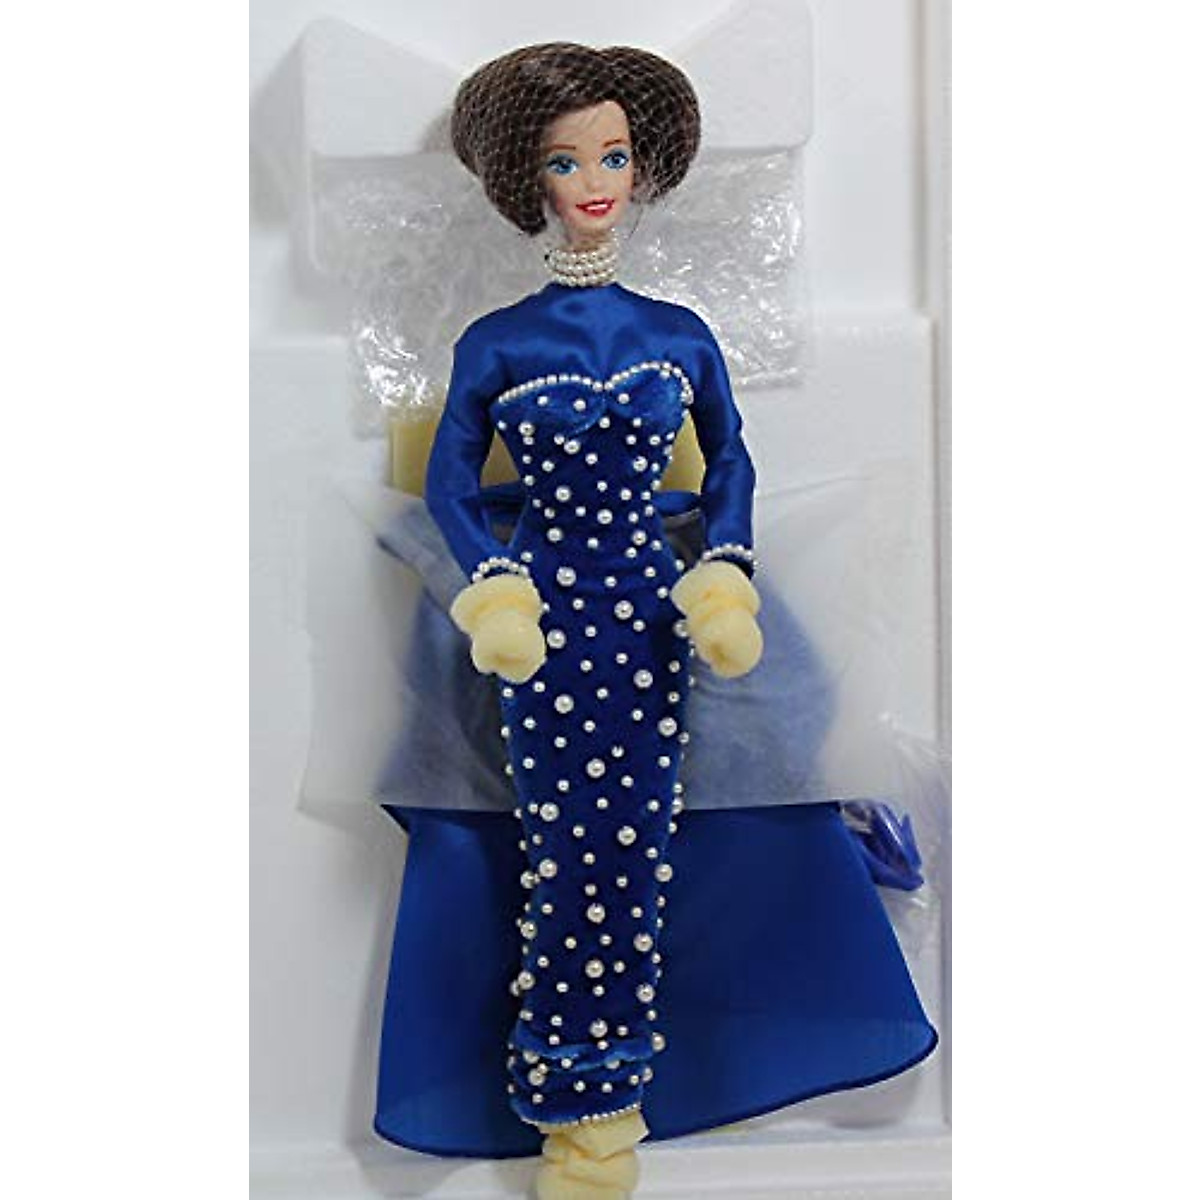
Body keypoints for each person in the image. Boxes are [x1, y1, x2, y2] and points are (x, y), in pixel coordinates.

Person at [375, 43, 936, 1200]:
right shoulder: (498, 342)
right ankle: (576, 1113)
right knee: (561, 857)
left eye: (614, 155)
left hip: (650, 623)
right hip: (544, 630)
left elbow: (731, 461)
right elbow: (449, 486)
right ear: (527, 176)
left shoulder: (678, 332)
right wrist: (492, 585)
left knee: (636, 858)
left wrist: (723, 572)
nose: (594, 181)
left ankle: (610, 1114)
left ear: (644, 167)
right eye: (566, 160)